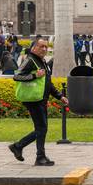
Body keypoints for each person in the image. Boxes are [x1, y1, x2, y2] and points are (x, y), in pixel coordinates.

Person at [8, 36, 67, 167]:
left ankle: (21, 148)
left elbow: (47, 83)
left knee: (41, 128)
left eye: (46, 47)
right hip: (33, 99)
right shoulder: (30, 60)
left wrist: (59, 96)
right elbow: (17, 76)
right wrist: (34, 75)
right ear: (34, 47)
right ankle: (35, 155)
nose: (44, 49)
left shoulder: (42, 61)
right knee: (42, 128)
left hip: (40, 98)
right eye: (41, 46)